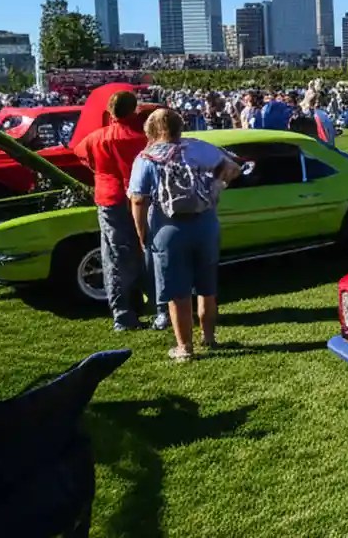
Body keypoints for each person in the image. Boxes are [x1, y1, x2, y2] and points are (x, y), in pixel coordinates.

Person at [129, 108, 241, 362]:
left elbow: (137, 199)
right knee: (207, 286)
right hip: (206, 224)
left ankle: (184, 347)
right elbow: (232, 168)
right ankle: (209, 337)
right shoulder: (200, 148)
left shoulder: (146, 158)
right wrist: (214, 188)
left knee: (177, 292)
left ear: (151, 129)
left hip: (168, 228)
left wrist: (141, 232)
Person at [72, 90, 152, 331]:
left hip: (107, 199)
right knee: (140, 251)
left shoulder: (96, 137)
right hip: (135, 199)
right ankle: (134, 311)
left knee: (113, 255)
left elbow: (79, 152)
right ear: (133, 110)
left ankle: (124, 310)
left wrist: (100, 171)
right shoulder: (139, 138)